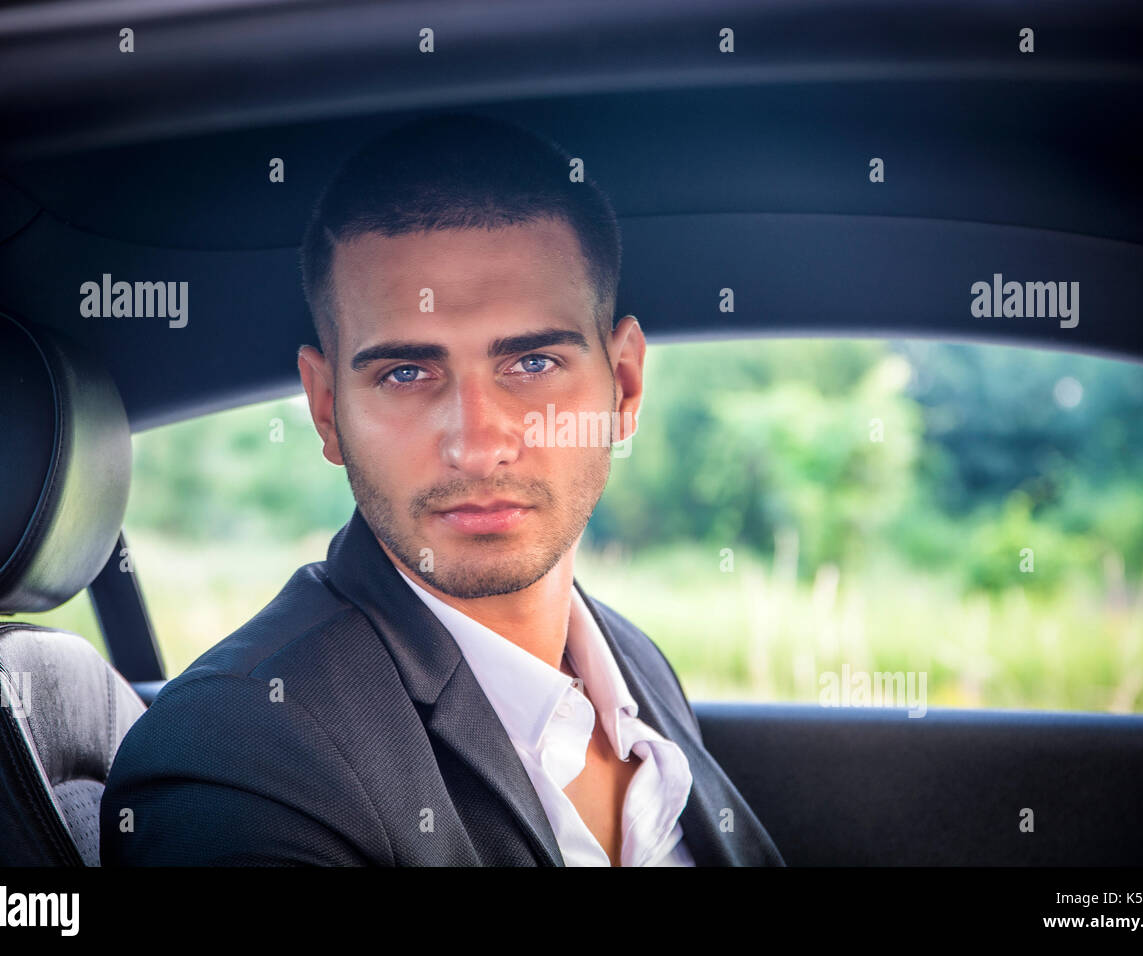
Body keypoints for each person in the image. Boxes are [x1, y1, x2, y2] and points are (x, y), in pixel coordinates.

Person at [100, 113, 784, 866]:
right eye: (405, 373)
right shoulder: (237, 763)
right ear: (327, 410)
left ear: (623, 387)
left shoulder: (629, 661)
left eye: (531, 364)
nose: (478, 443)